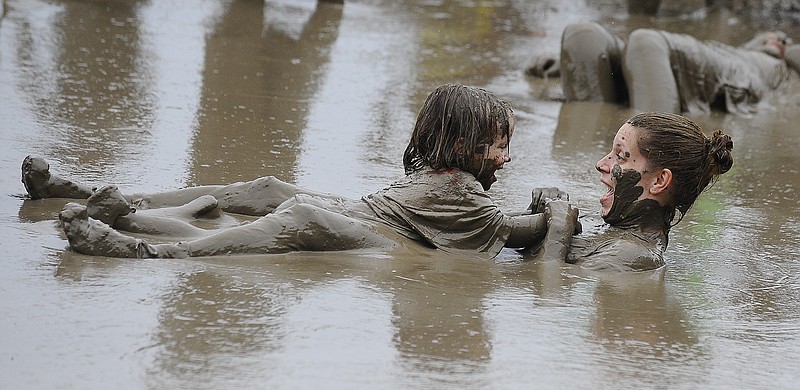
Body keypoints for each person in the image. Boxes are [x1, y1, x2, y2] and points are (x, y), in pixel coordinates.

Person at [27, 84, 570, 259]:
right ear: (461, 146)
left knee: (281, 202)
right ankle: (123, 221)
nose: (506, 158)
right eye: (499, 146)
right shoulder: (465, 198)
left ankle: (130, 222)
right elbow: (530, 232)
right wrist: (559, 209)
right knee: (273, 193)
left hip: (356, 216)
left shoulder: (450, 184)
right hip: (358, 217)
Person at [542, 111, 734, 271]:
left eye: (620, 157)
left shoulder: (632, 254)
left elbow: (550, 284)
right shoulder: (602, 225)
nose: (600, 164)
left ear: (659, 181)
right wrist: (541, 211)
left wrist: (558, 227)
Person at [528, 22, 799, 114]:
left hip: (729, 74)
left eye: (782, 40)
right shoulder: (738, 49)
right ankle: (585, 142)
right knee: (583, 35)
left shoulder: (777, 67)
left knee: (645, 41)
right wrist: (564, 65)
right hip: (685, 61)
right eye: (773, 36)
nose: (777, 39)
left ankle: (647, 146)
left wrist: (785, 49)